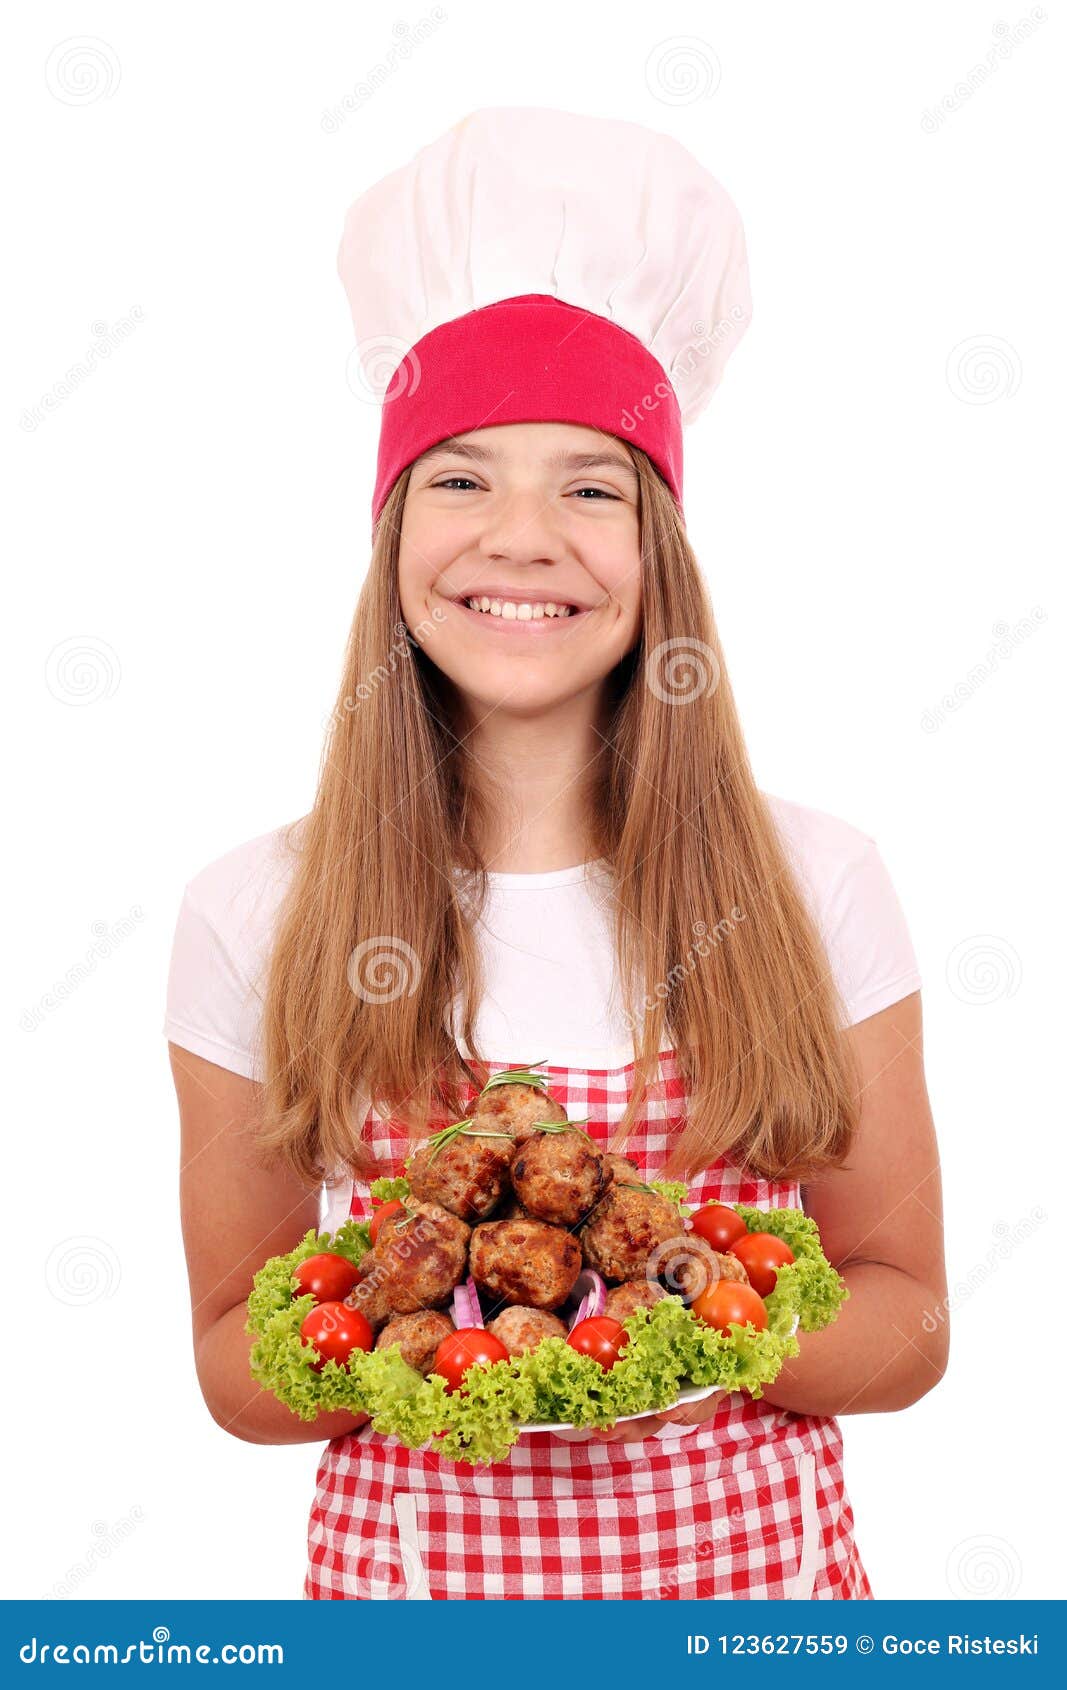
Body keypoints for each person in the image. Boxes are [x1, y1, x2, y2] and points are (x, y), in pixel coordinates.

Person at [165, 107, 948, 1601]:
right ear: (393, 534)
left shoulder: (815, 881)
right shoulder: (254, 908)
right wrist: (435, 1329)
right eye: (461, 478)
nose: (521, 535)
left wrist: (688, 1316)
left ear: (658, 548)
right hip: (414, 1614)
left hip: (756, 1614)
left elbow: (908, 1319)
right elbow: (233, 1359)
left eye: (589, 484)